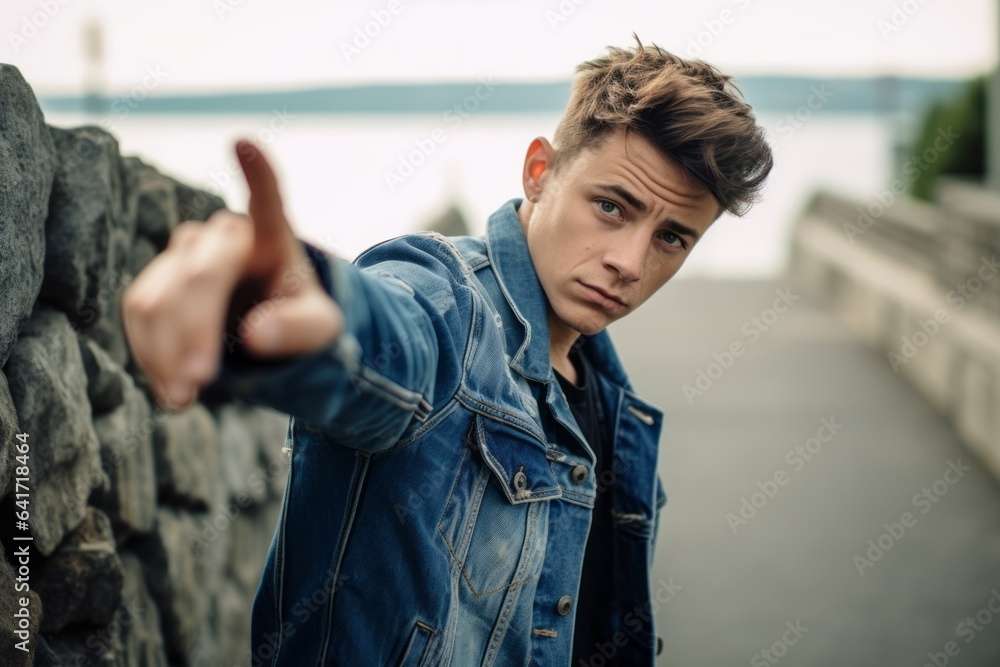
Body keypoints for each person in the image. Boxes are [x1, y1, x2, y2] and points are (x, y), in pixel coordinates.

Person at [122, 35, 772, 666]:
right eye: (610, 205)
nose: (629, 262)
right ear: (540, 172)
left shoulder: (610, 396)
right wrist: (268, 300)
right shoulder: (449, 306)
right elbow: (387, 338)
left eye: (672, 239)